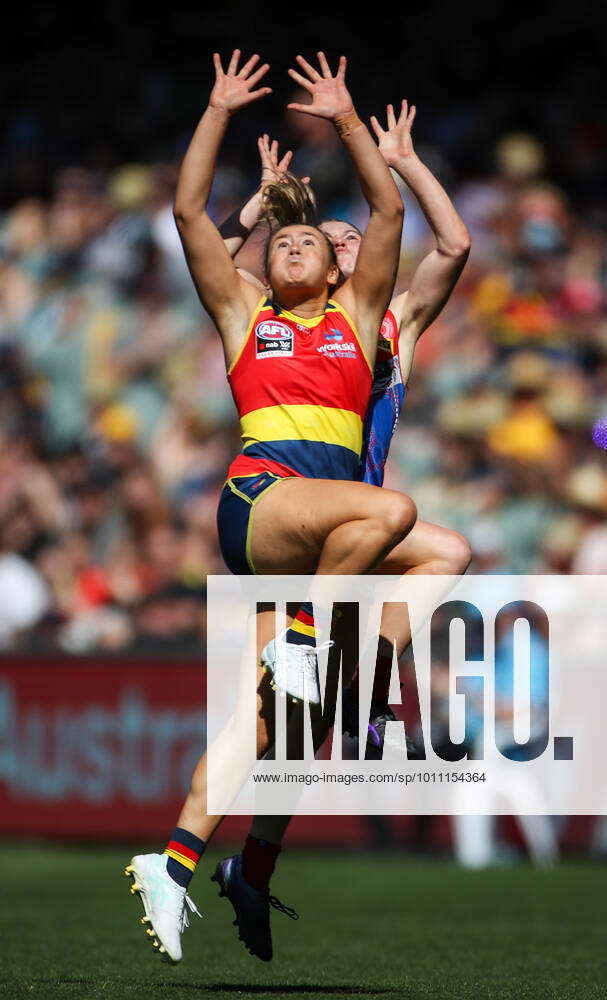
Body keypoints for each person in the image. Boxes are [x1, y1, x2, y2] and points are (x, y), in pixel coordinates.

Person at [125, 47, 413, 965]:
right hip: (262, 503)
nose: (291, 245)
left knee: (277, 728)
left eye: (306, 242)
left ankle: (178, 864)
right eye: (277, 241)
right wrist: (213, 110)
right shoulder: (246, 317)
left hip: (314, 538)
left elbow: (390, 210)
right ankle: (311, 641)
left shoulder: (358, 318)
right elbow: (184, 214)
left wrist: (346, 119)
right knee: (393, 513)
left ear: (334, 271)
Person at [208, 101, 472, 961]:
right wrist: (254, 208)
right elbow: (207, 254)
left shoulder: (393, 321)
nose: (344, 243)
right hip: (308, 521)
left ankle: (251, 862)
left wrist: (401, 160)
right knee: (285, 721)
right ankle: (238, 857)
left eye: (351, 238)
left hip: (353, 525)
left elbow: (455, 245)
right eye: (332, 238)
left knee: (442, 555)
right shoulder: (302, 321)